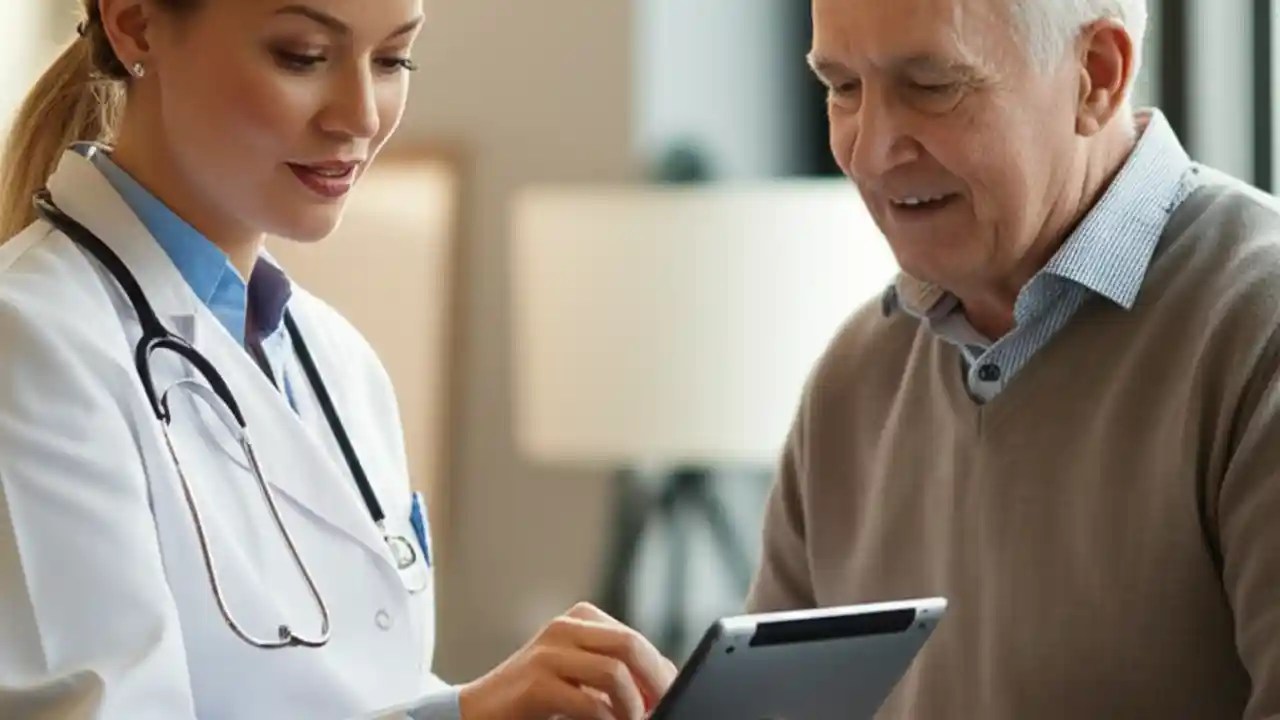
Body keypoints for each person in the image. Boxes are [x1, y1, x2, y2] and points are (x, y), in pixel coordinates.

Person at [0, 1, 675, 718]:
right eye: (302, 55)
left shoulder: (338, 361)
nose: (360, 117)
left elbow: (362, 689)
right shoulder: (31, 341)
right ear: (135, 25)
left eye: (392, 61)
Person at [748, 0, 1280, 717]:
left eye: (932, 85)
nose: (868, 152)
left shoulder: (1256, 334)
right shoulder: (853, 380)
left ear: (1096, 76)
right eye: (843, 88)